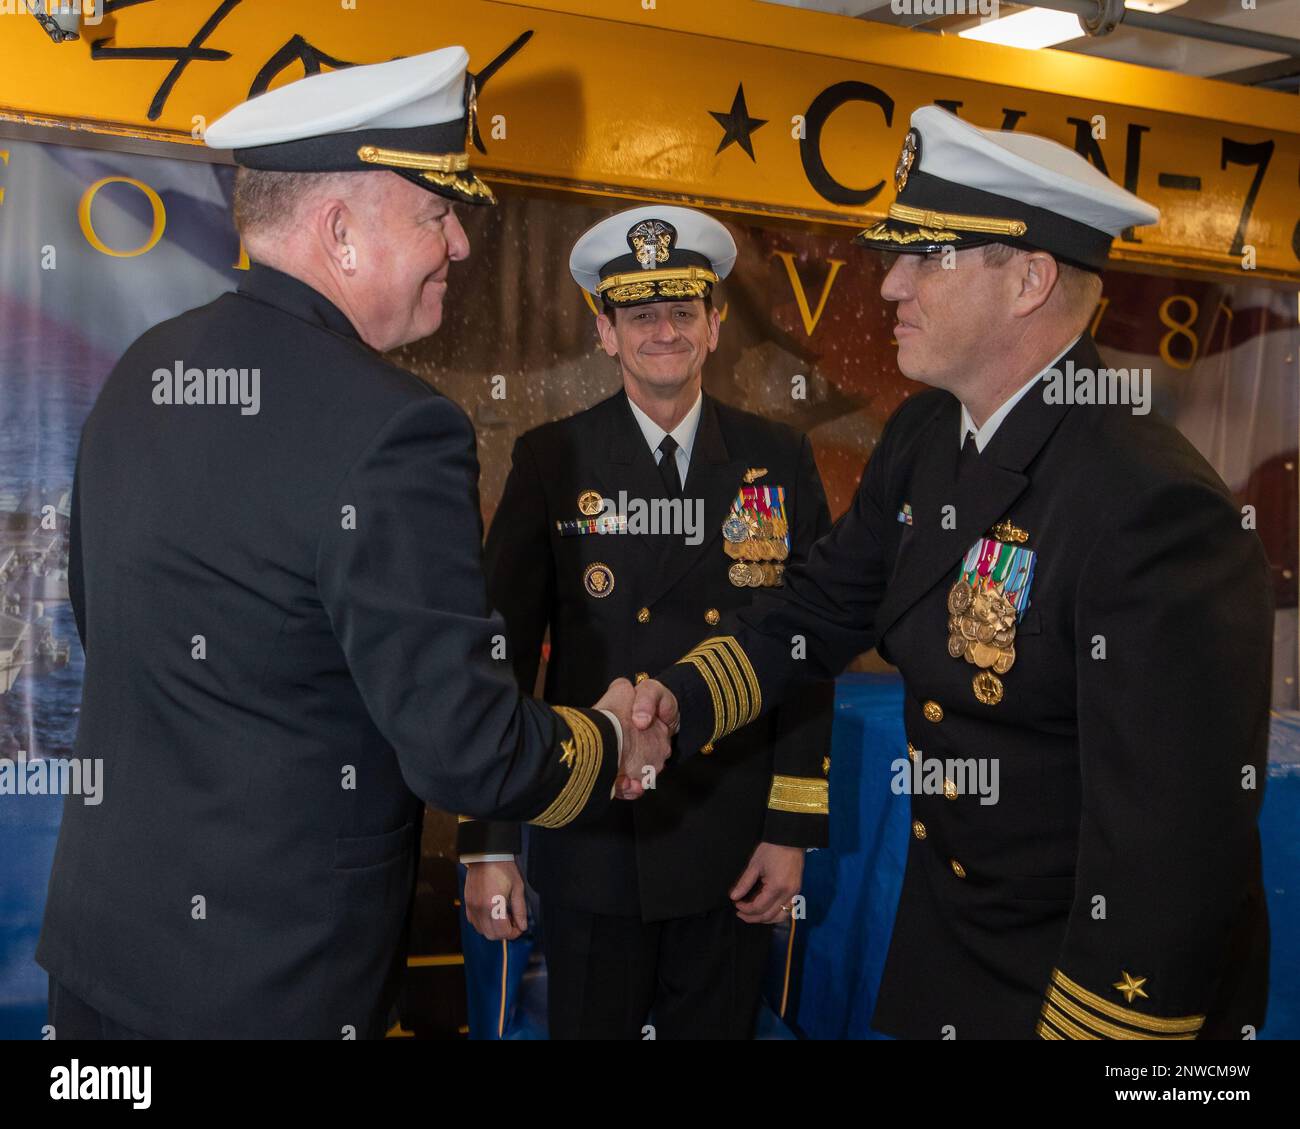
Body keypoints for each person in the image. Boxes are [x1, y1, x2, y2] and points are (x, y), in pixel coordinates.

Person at [37, 46, 668, 1041]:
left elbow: (98, 621)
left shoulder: (144, 365)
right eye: (436, 214)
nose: (459, 245)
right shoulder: (396, 428)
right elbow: (466, 749)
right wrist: (609, 739)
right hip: (271, 990)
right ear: (337, 230)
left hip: (100, 966)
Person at [632, 106, 1272, 1040]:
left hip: (1091, 990)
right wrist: (679, 699)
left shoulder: (1150, 505)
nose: (889, 284)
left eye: (925, 258)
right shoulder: (928, 435)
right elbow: (817, 607)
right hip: (956, 945)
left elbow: (1170, 848)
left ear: (1029, 279)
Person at [459, 206, 835, 1039]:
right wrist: (488, 843)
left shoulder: (779, 458)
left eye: (681, 311)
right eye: (639, 315)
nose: (662, 331)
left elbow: (807, 653)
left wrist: (790, 828)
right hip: (595, 834)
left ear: (714, 323)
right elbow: (501, 656)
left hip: (731, 839)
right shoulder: (551, 460)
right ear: (605, 330)